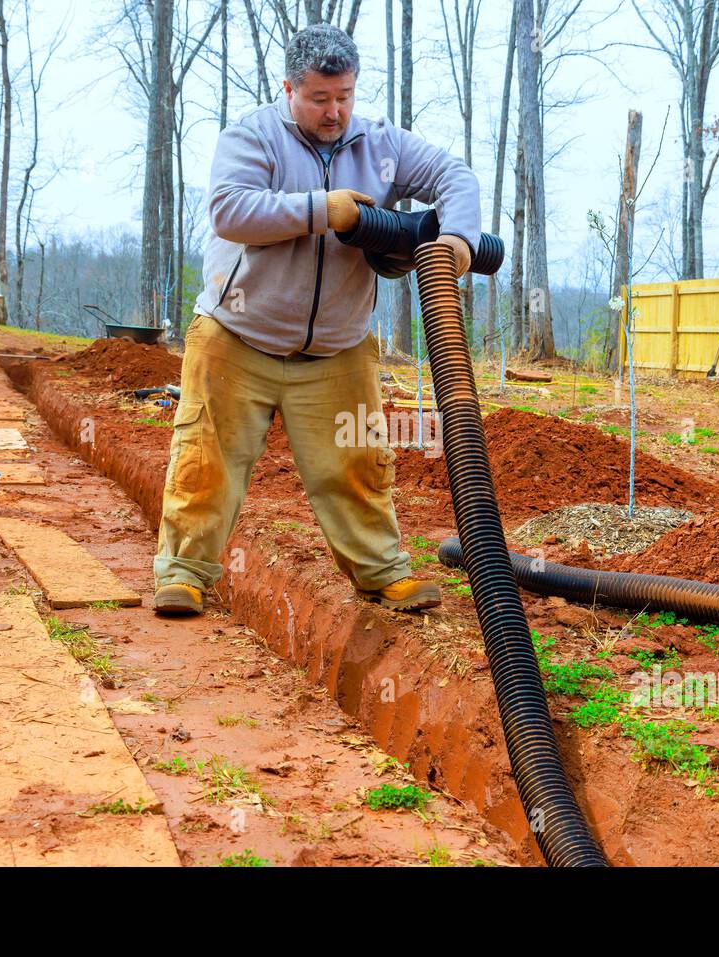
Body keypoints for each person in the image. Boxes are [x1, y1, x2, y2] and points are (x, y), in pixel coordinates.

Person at [152, 23, 480, 616]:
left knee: (356, 464)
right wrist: (320, 210)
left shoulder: (381, 144)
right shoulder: (251, 136)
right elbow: (231, 210)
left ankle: (382, 574)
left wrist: (457, 236)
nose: (335, 112)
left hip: (337, 346)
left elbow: (454, 176)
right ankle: (184, 576)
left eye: (345, 96)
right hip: (237, 337)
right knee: (207, 462)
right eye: (321, 98)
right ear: (289, 89)